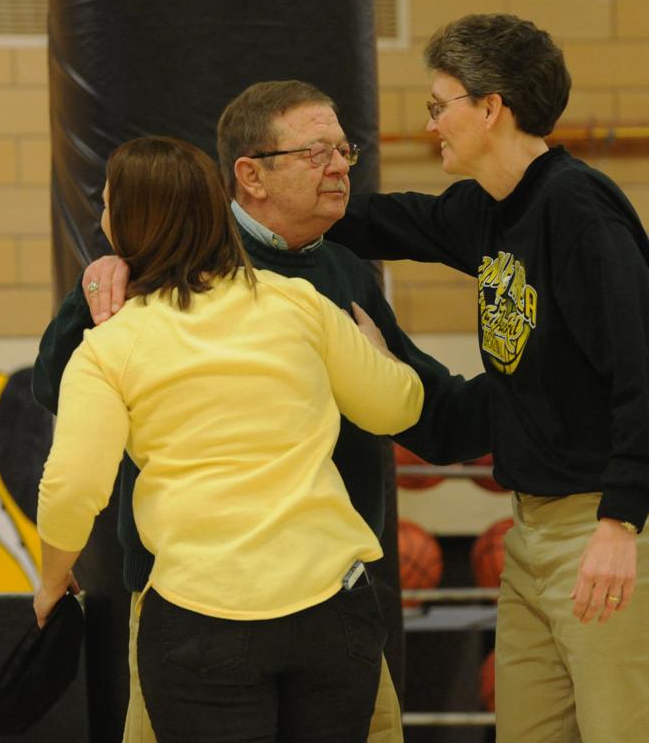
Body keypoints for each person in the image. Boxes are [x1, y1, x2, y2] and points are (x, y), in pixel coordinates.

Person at [35, 80, 490, 743]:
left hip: (308, 593)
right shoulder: (143, 280)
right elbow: (58, 385)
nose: (340, 166)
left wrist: (531, 387)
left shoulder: (339, 272)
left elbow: (421, 408)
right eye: (317, 152)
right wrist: (101, 280)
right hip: (211, 595)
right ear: (250, 176)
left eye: (344, 150)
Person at [326, 14, 649, 742]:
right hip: (535, 532)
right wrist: (256, 213)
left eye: (439, 103)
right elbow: (388, 223)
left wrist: (619, 519)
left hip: (629, 524)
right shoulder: (488, 210)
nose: (431, 124)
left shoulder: (576, 206)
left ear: (490, 107)